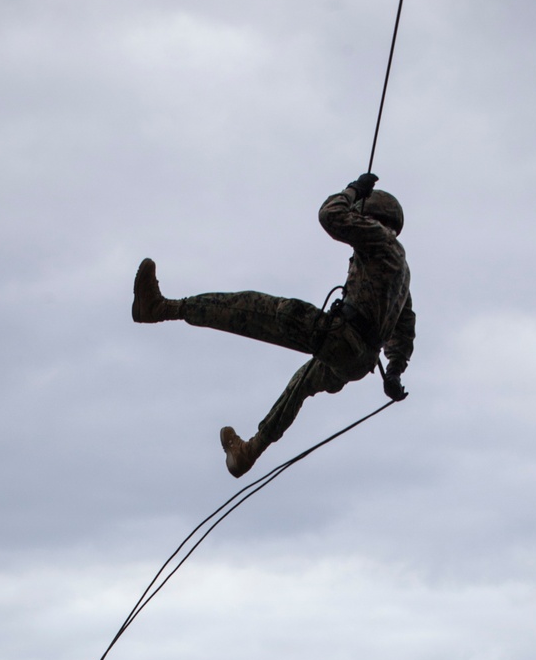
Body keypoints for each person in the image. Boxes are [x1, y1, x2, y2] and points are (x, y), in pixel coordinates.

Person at [132, 173, 415, 477]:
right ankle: (249, 452)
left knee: (260, 310)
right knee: (301, 383)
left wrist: (353, 190)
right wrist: (394, 373)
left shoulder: (379, 239)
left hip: (343, 339)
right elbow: (404, 327)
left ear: (373, 216)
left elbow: (330, 215)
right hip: (358, 359)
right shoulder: (401, 268)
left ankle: (162, 308)